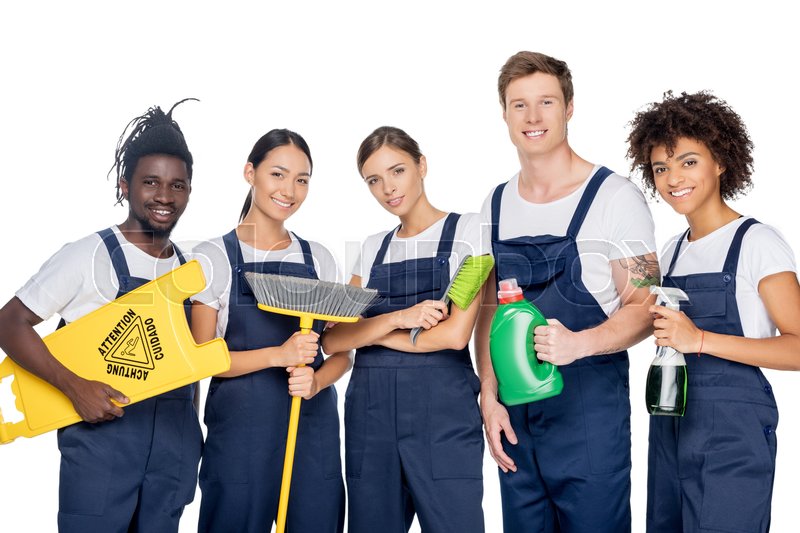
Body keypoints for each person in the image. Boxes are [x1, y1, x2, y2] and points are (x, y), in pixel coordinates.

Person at [474, 51, 659, 533]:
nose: (533, 118)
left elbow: (645, 302)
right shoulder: (493, 205)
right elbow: (489, 310)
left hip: (588, 414)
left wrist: (579, 344)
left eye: (546, 102)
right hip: (517, 416)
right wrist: (489, 395)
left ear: (569, 107)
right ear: (504, 114)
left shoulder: (616, 197)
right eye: (519, 105)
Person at [0, 100, 200, 532]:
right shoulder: (88, 255)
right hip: (101, 448)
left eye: (177, 185)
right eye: (150, 182)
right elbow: (9, 323)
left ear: (188, 191)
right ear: (125, 186)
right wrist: (75, 388)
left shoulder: (191, 270)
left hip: (173, 452)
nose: (164, 196)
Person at [627, 90, 800, 533]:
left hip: (732, 426)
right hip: (670, 417)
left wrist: (699, 340)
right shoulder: (671, 251)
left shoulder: (757, 242)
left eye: (688, 161)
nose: (672, 178)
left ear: (720, 162)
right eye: (661, 167)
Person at [321, 126, 486, 533]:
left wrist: (373, 331)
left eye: (397, 171)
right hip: (370, 421)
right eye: (373, 180)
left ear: (421, 166)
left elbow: (453, 336)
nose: (387, 189)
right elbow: (334, 339)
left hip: (443, 419)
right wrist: (399, 318)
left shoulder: (470, 232)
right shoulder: (372, 247)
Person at [190, 129, 347, 533]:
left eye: (302, 179)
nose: (289, 190)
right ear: (250, 173)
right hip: (241, 439)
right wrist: (279, 355)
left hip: (312, 433)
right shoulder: (212, 258)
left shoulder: (318, 258)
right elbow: (200, 358)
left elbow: (342, 351)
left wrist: (315, 382)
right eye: (278, 174)